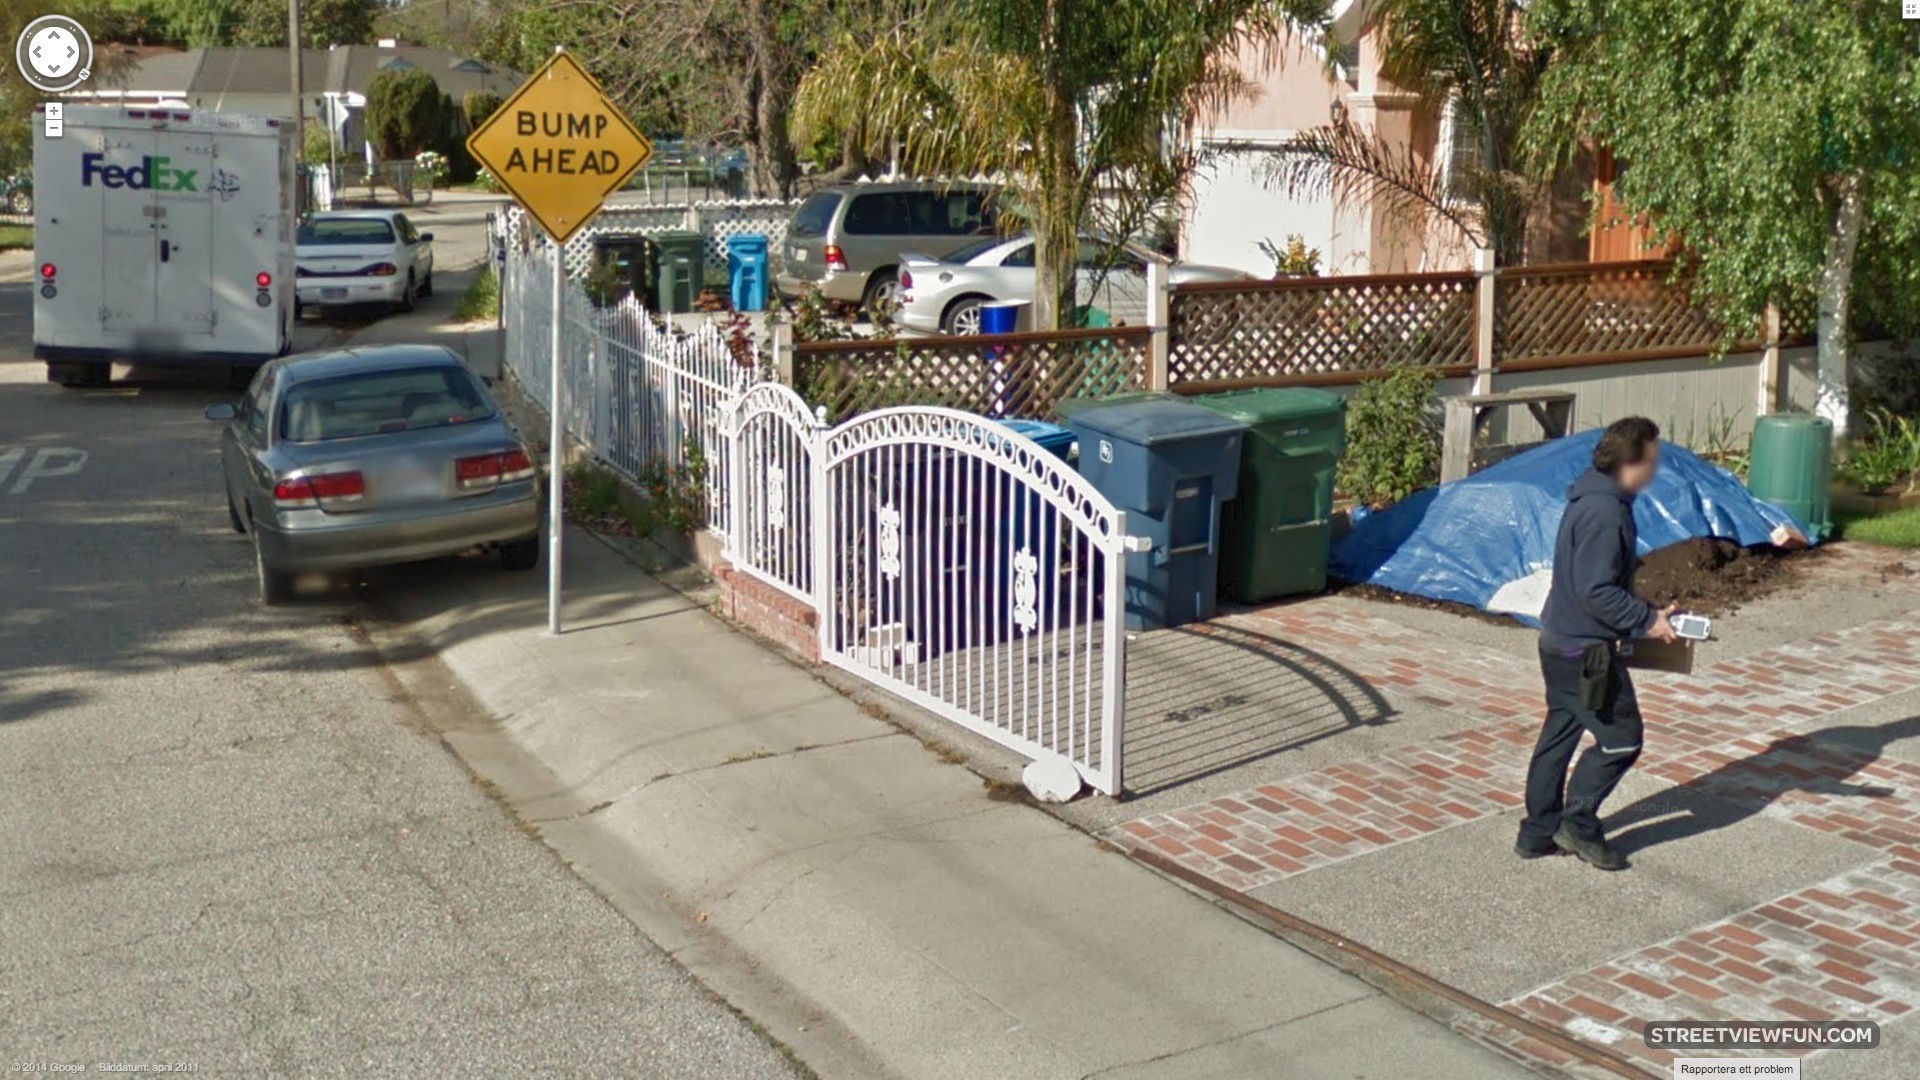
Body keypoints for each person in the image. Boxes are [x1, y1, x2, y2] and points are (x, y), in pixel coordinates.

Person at [1517, 417, 1679, 871]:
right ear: (1631, 463)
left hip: (1558, 640)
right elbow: (1597, 591)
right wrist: (1646, 620)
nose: (1655, 470)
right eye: (1652, 461)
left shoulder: (1589, 497)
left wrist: (1642, 612)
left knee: (1560, 733)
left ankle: (1537, 832)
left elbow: (1589, 580)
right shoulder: (1606, 513)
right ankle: (1579, 822)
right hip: (1584, 652)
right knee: (1621, 740)